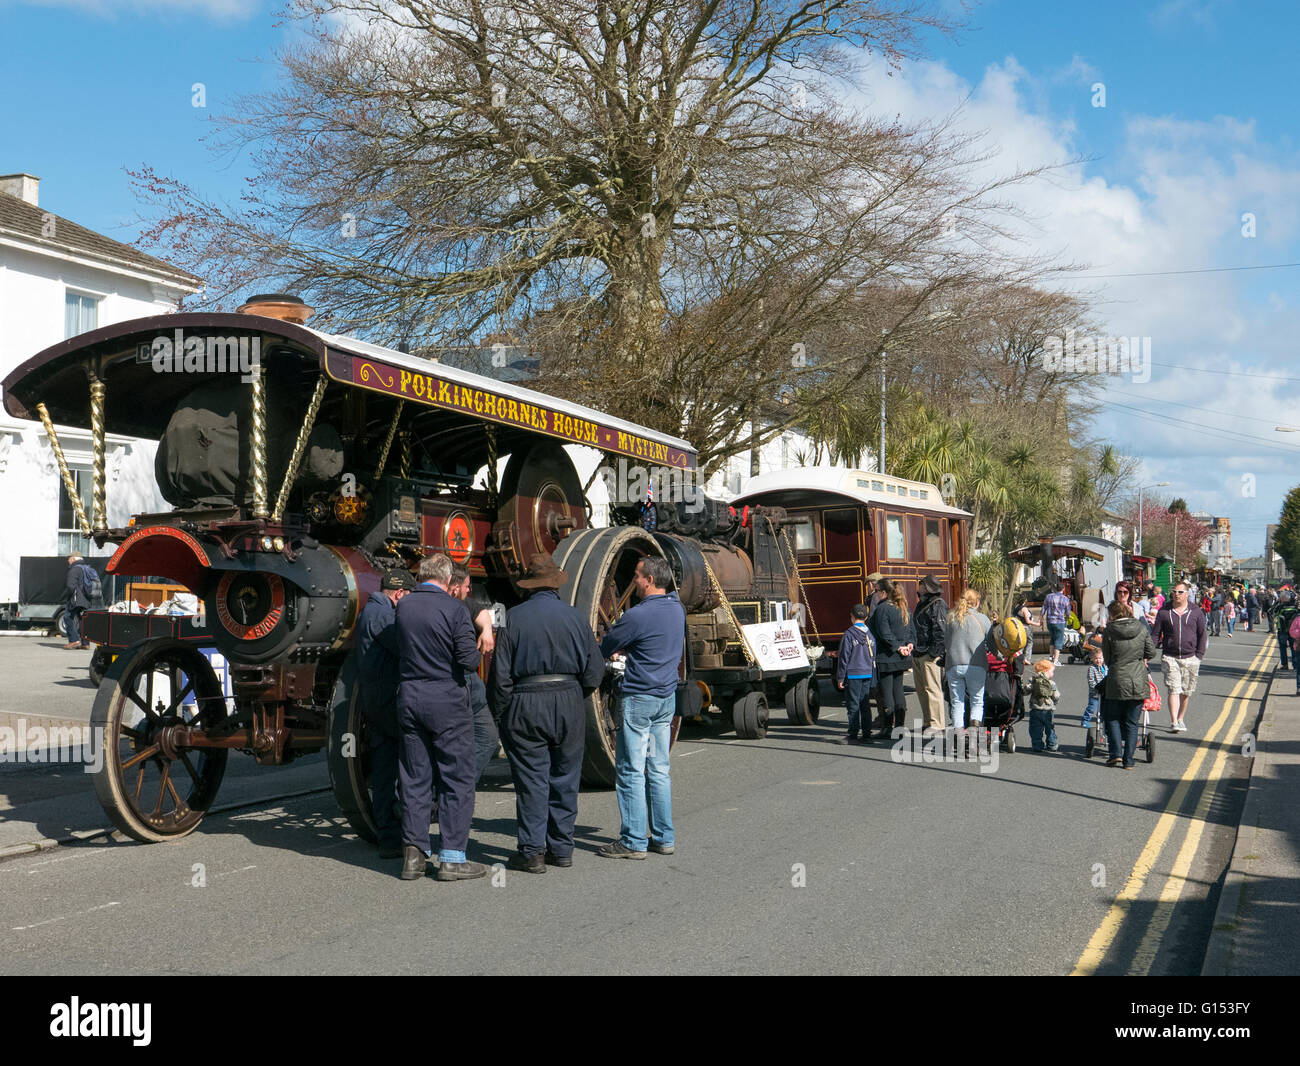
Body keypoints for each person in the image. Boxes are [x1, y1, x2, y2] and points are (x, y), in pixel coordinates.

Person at [491, 553, 605, 873]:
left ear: (529, 586)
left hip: (525, 701)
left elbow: (499, 677)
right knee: (566, 777)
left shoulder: (512, 618)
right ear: (556, 585)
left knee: (532, 780)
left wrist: (502, 715)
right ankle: (562, 848)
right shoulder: (576, 617)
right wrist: (572, 694)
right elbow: (595, 672)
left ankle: (531, 852)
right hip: (569, 699)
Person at [394, 552, 485, 882]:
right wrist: (481, 644)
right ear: (448, 580)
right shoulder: (454, 609)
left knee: (415, 777)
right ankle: (452, 857)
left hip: (409, 696)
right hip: (445, 699)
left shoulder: (403, 606)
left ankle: (413, 856)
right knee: (456, 776)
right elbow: (468, 661)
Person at [597, 556, 686, 859]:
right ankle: (663, 837)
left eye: (637, 576)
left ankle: (634, 840)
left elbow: (607, 646)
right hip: (666, 697)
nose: (634, 580)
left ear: (649, 580)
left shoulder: (637, 616)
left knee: (632, 770)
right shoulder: (677, 609)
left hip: (639, 697)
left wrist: (625, 646)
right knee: (659, 769)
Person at [356, 566, 417, 859]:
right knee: (393, 769)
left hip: (375, 699)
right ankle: (396, 833)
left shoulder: (371, 611)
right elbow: (404, 647)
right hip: (386, 700)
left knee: (385, 768)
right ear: (399, 594)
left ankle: (389, 837)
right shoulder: (382, 615)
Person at [448, 561, 500, 783]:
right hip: (458, 680)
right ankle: (458, 789)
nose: (470, 590)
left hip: (463, 681)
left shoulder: (463, 604)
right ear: (455, 586)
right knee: (484, 738)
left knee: (486, 737)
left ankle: (456, 789)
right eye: (467, 586)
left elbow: (482, 613)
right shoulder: (452, 607)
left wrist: (487, 631)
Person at [1101, 598, 1157, 769]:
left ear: (1112, 614)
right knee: (1132, 723)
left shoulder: (1110, 630)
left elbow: (1107, 657)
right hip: (1138, 678)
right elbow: (1151, 652)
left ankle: (1115, 754)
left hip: (1117, 678)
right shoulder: (1141, 628)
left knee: (1112, 718)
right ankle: (1128, 760)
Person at [1151, 581, 1207, 733]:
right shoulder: (1164, 612)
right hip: (1170, 657)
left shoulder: (1196, 611)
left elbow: (1202, 634)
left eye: (1180, 592)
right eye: (1174, 591)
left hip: (1191, 658)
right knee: (1173, 689)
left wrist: (1199, 656)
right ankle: (1174, 721)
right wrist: (1147, 653)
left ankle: (1181, 718)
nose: (1176, 594)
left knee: (1186, 692)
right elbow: (1155, 634)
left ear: (1187, 594)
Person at [867, 578, 914, 737]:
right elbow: (911, 631)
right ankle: (899, 726)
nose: (875, 594)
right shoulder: (904, 608)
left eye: (877, 591)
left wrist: (897, 647)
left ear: (884, 592)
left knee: (887, 692)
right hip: (902, 657)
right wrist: (908, 645)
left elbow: (883, 632)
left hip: (886, 656)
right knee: (898, 690)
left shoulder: (882, 609)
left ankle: (887, 727)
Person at [944, 588, 992, 738]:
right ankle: (974, 735)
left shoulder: (951, 618)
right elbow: (991, 643)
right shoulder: (983, 619)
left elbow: (946, 642)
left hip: (954, 664)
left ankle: (959, 736)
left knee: (957, 702)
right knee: (977, 701)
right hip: (976, 665)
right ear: (977, 602)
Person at [911, 575, 948, 734]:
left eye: (921, 584)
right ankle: (928, 721)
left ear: (927, 587)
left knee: (932, 689)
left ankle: (937, 724)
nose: (918, 587)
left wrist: (933, 654)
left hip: (928, 654)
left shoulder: (938, 605)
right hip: (920, 652)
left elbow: (940, 631)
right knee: (923, 690)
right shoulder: (923, 603)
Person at [835, 604, 876, 744]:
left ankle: (853, 734)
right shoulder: (870, 634)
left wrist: (840, 676)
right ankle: (867, 734)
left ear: (851, 616)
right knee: (865, 704)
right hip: (867, 672)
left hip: (853, 674)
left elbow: (844, 657)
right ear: (866, 617)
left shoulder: (849, 635)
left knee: (853, 704)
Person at [62, 554, 102, 650]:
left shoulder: (74, 569)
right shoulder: (87, 568)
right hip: (87, 598)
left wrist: (68, 597)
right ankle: (85, 643)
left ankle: (74, 640)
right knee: (82, 619)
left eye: (69, 560)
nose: (68, 562)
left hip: (76, 598)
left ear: (72, 559)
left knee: (68, 617)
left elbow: (70, 586)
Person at [1028, 659, 1061, 752]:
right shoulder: (1051, 683)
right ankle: (1052, 745)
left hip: (1035, 708)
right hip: (1048, 709)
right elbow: (1056, 695)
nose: (1053, 673)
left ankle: (1037, 745)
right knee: (1049, 727)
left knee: (1035, 728)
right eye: (1052, 671)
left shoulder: (1033, 680)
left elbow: (1025, 691)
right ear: (1046, 671)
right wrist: (1054, 703)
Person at [1041, 583, 1070, 665]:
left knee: (1053, 638)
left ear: (1055, 588)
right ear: (1063, 589)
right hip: (1059, 622)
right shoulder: (1065, 599)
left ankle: (1051, 656)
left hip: (1049, 621)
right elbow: (1068, 612)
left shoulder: (1048, 596)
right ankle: (1055, 660)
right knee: (1059, 640)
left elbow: (1043, 608)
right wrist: (1067, 617)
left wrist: (1041, 618)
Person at [1083, 645, 1107, 731]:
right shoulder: (1092, 668)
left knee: (1104, 707)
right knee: (1092, 707)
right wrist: (1096, 688)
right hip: (1095, 693)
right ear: (1092, 659)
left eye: (1100, 658)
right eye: (1096, 658)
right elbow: (1091, 681)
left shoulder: (1105, 667)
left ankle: (1101, 718)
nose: (1098, 660)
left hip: (1105, 692)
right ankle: (1085, 720)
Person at [1276, 588, 1299, 671]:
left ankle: (1285, 665)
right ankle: (1295, 665)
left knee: (1282, 648)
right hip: (1293, 631)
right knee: (1294, 648)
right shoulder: (1295, 607)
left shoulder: (1280, 607)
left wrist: (1277, 602)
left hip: (1282, 629)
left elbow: (1272, 612)